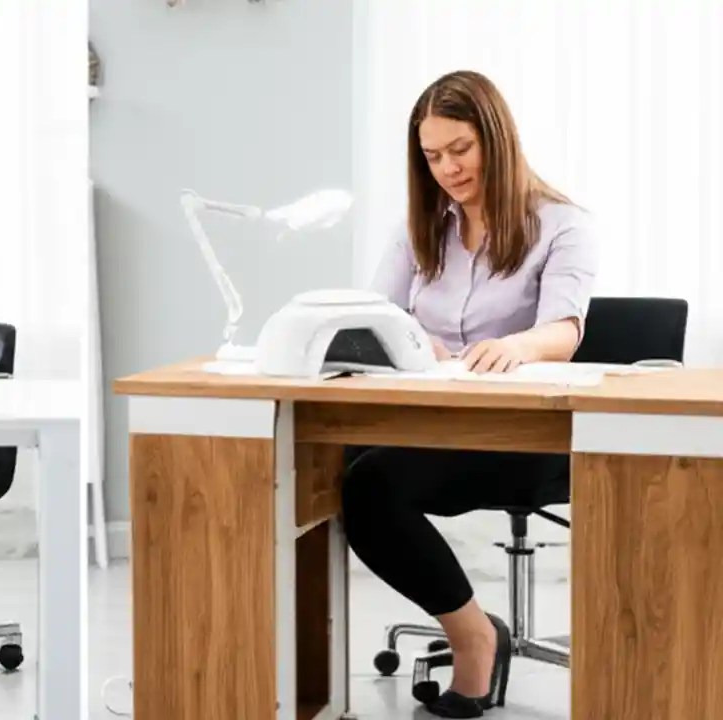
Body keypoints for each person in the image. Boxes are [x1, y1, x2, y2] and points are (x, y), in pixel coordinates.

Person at [341, 70, 596, 718]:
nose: (447, 168)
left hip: (521, 437)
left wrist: (516, 347)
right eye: (432, 156)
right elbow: (375, 315)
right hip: (432, 422)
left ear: (495, 139)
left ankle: (474, 643)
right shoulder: (420, 228)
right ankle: (462, 627)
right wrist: (404, 340)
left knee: (372, 483)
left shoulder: (562, 225)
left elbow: (565, 330)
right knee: (333, 467)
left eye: (460, 149)